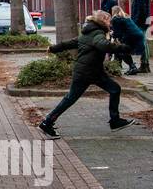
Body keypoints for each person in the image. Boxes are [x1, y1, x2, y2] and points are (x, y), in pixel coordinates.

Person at [38, 11, 134, 139]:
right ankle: (47, 122)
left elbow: (70, 43)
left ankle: (115, 121)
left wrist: (53, 48)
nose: (110, 23)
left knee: (114, 89)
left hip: (91, 71)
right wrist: (123, 47)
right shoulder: (97, 33)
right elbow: (104, 45)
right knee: (71, 98)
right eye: (108, 20)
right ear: (103, 20)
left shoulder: (88, 32)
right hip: (87, 73)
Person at [109, 6, 146, 74]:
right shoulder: (126, 17)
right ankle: (120, 67)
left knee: (121, 50)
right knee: (121, 50)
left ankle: (130, 67)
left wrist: (112, 34)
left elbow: (118, 33)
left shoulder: (116, 19)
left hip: (130, 37)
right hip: (137, 36)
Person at [130, 0, 151, 72]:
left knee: (143, 42)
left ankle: (145, 64)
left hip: (141, 23)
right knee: (142, 42)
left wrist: (135, 22)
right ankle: (144, 64)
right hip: (142, 22)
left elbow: (141, 11)